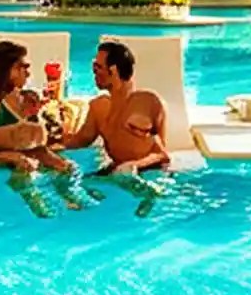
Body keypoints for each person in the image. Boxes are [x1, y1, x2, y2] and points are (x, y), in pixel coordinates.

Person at [0, 40, 90, 216]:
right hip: (19, 164)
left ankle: (70, 198)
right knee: (40, 204)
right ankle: (45, 212)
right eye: (22, 67)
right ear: (6, 69)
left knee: (70, 169)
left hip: (38, 154)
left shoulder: (22, 97)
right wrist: (8, 156)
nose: (28, 72)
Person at [65, 41, 171, 216]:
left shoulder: (145, 104)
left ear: (113, 71)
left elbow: (162, 155)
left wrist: (134, 165)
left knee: (123, 181)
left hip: (150, 175)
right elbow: (79, 140)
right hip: (117, 170)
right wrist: (49, 141)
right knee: (74, 182)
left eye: (97, 67)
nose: (93, 72)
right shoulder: (99, 107)